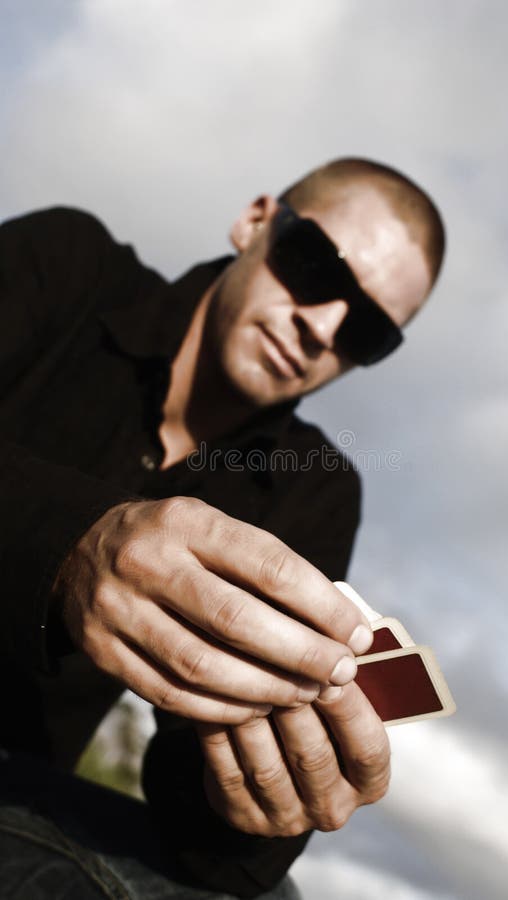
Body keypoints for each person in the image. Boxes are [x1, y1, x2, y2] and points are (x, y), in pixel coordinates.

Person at [0, 157, 445, 899]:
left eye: (366, 331)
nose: (321, 326)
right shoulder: (65, 267)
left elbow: (202, 833)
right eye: (315, 266)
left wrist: (258, 803)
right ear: (254, 222)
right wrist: (73, 543)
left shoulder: (316, 490)